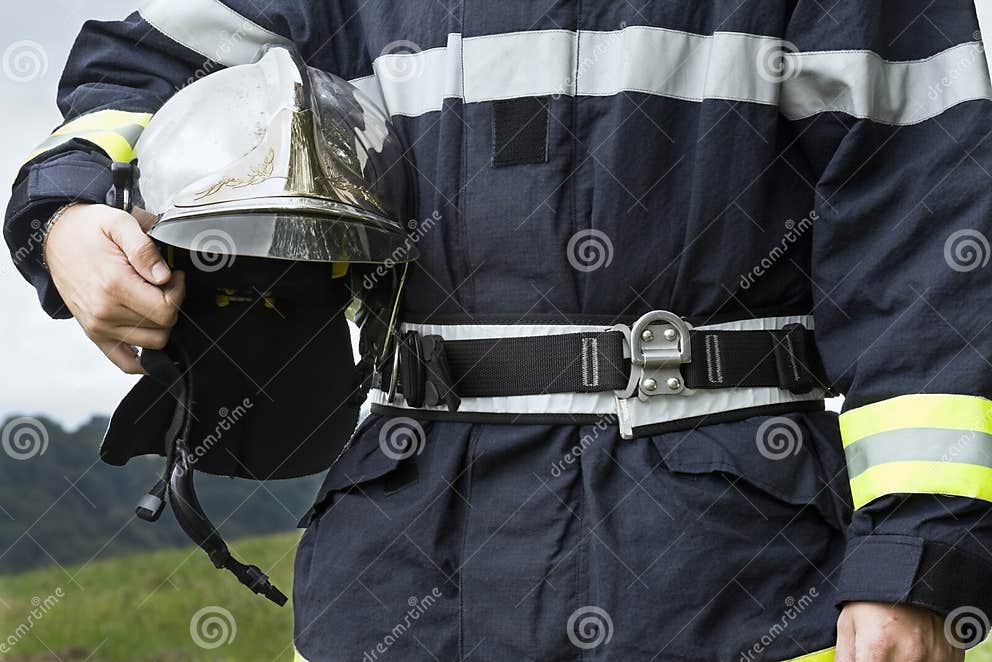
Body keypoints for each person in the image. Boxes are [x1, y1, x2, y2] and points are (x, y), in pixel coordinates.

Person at [6, 2, 992, 661]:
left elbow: (927, 220)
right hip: (403, 554)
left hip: (740, 568)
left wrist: (915, 553)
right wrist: (70, 208)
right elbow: (144, 65)